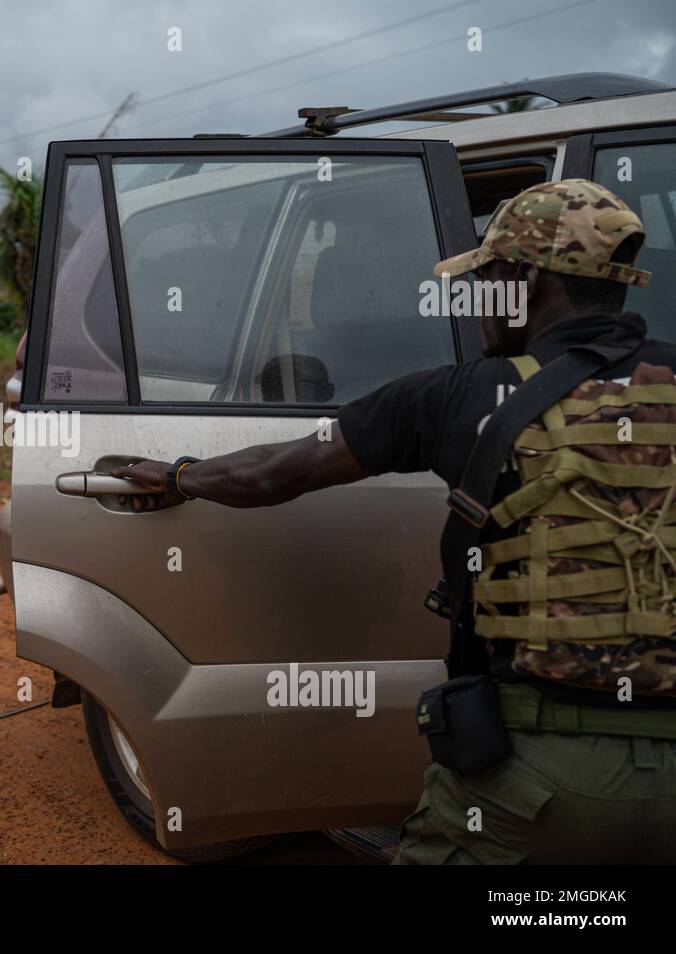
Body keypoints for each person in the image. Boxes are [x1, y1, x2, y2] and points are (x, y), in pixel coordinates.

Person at [114, 180, 676, 863]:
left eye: (485, 282)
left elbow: (273, 473)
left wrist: (178, 476)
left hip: (532, 783)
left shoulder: (456, 396)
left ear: (522, 279)